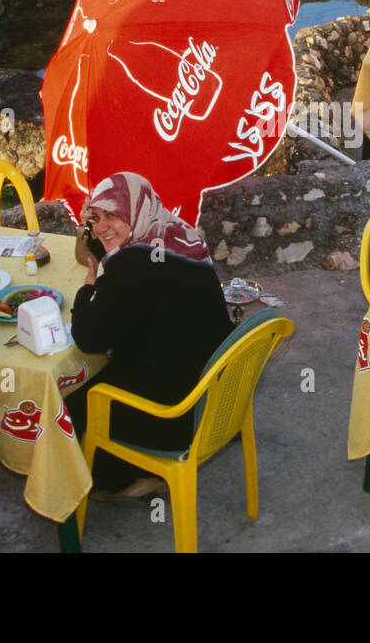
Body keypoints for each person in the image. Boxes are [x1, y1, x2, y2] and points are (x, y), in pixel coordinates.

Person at [66, 172, 233, 498]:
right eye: (95, 218)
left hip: (176, 417)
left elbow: (88, 337)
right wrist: (105, 245)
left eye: (112, 215)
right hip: (215, 393)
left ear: (135, 211)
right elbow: (141, 284)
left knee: (70, 401)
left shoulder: (133, 266)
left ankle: (127, 478)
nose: (100, 227)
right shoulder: (179, 234)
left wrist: (87, 290)